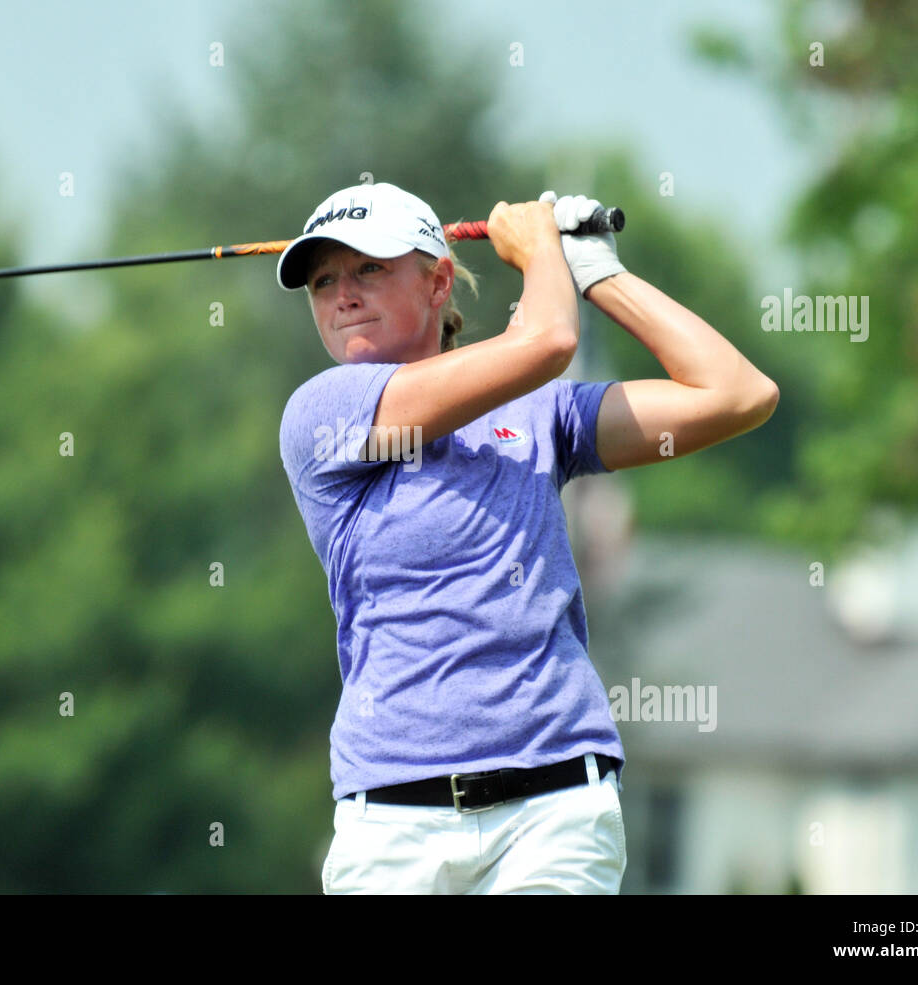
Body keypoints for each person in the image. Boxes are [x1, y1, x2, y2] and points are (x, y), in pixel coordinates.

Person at [276, 181, 778, 894]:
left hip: (554, 813)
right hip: (391, 822)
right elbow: (546, 340)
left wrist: (603, 277)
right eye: (324, 280)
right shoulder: (322, 414)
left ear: (438, 278)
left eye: (370, 268)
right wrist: (542, 252)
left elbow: (737, 394)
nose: (343, 294)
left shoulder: (538, 413)